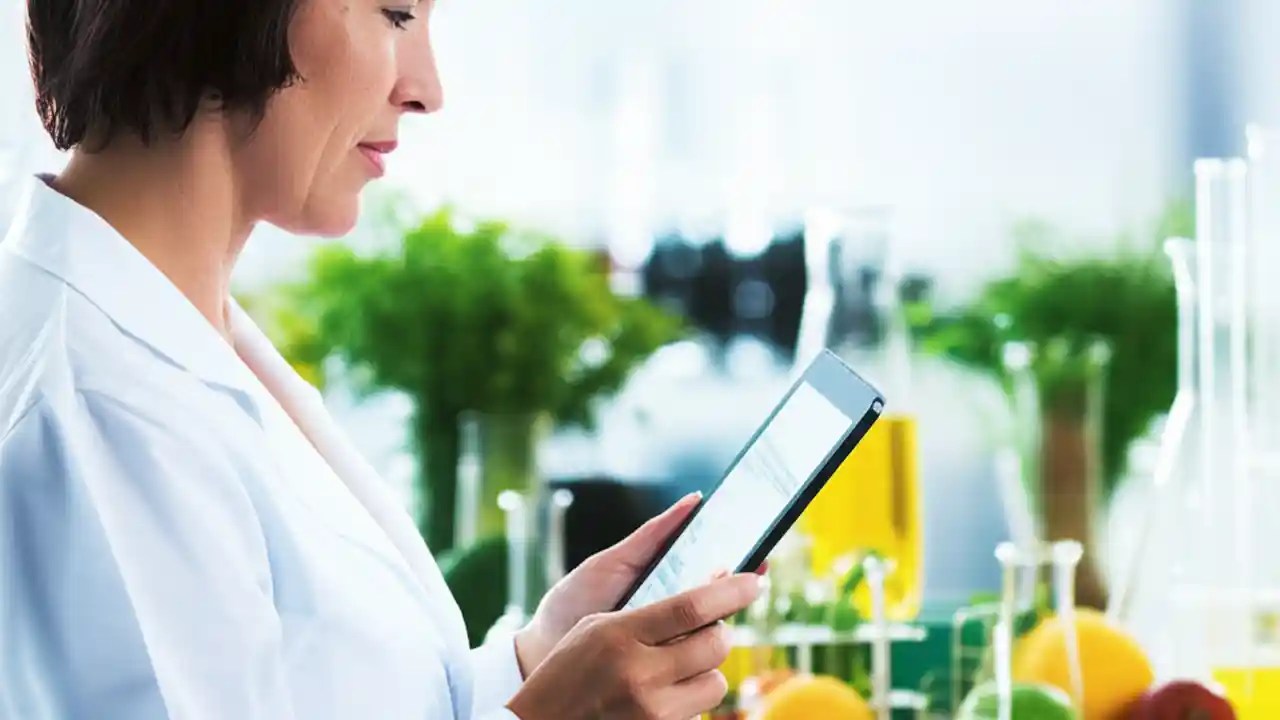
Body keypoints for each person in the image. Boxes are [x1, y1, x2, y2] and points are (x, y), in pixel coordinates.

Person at [0, 0, 763, 718]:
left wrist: (530, 666)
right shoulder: (101, 407)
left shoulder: (185, 334)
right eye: (394, 13)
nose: (426, 89)